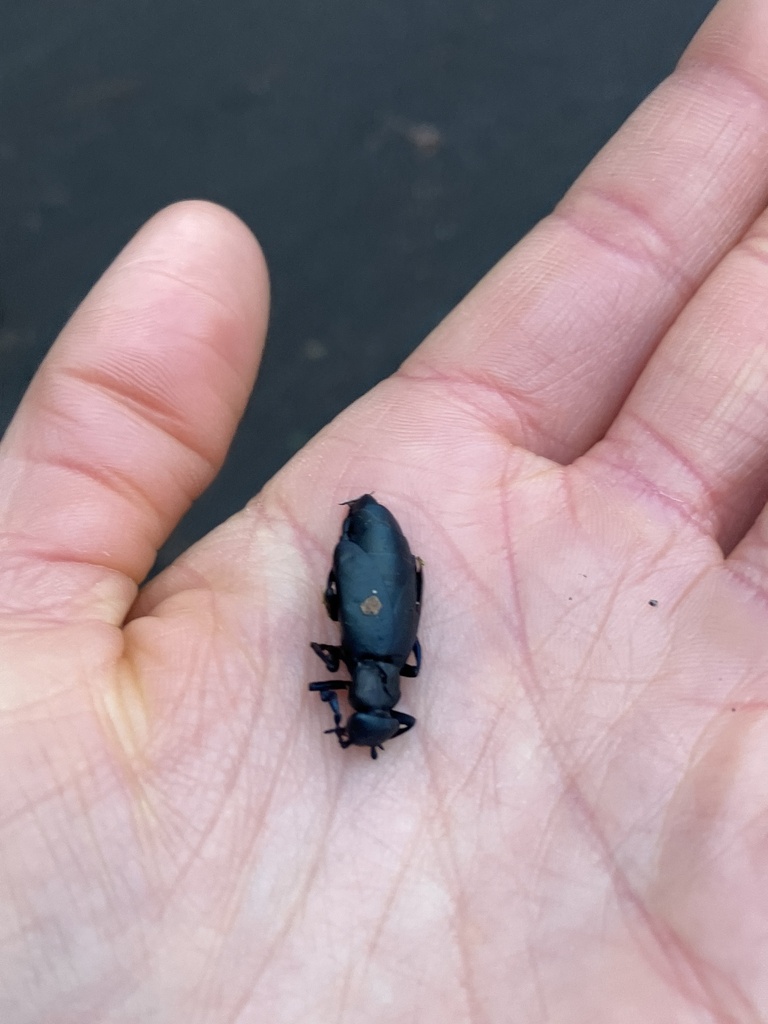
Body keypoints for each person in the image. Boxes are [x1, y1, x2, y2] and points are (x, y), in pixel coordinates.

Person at [3, 0, 767, 1019]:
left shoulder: (382, 662)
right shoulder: (379, 661)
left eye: (360, 714)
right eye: (368, 715)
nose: (362, 713)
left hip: (377, 563)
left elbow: (368, 621)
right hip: (377, 561)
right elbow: (365, 620)